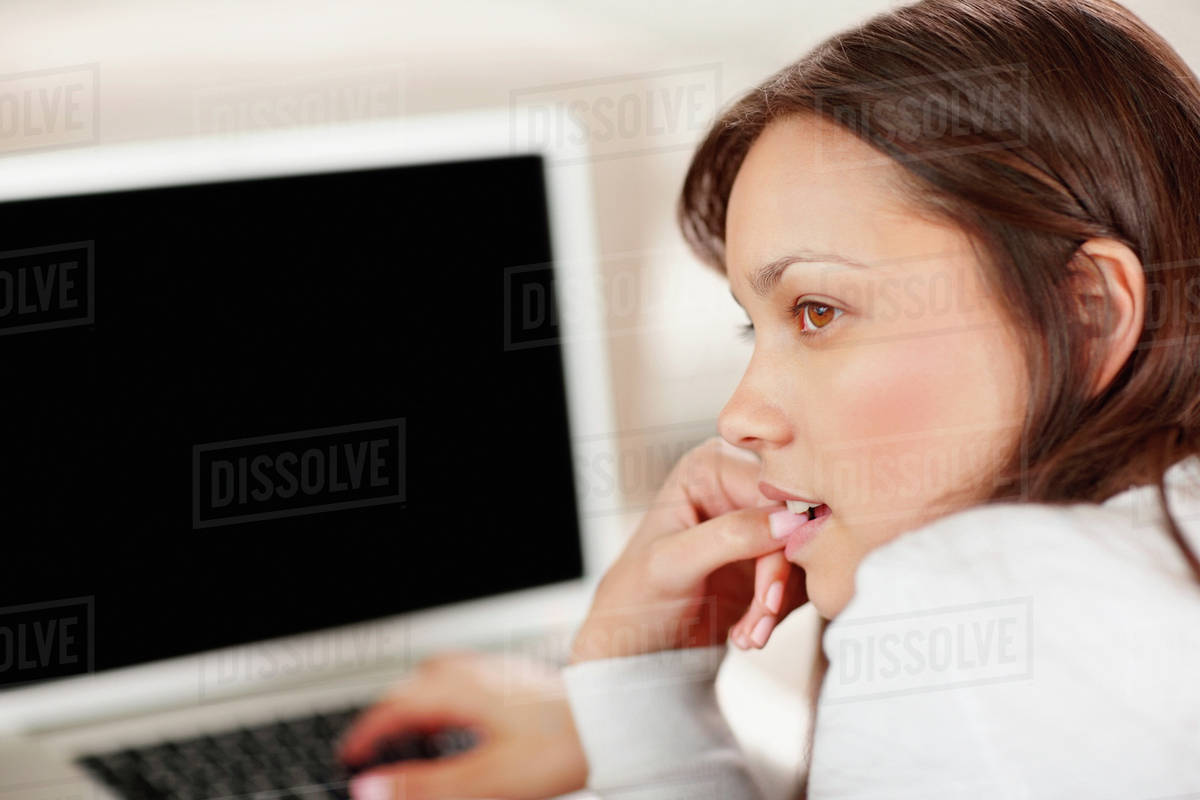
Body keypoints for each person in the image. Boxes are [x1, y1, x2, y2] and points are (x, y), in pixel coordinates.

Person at [342, 0, 1200, 797]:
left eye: (819, 311)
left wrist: (629, 694)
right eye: (756, 328)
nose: (740, 418)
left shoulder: (973, 614)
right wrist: (635, 704)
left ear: (1087, 312)